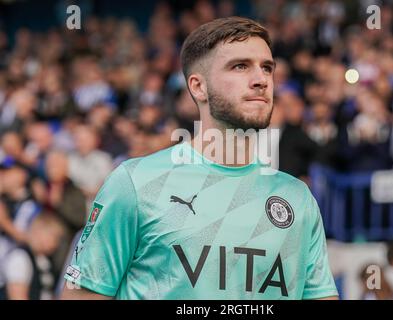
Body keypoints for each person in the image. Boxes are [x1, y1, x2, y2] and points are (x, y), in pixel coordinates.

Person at [61, 17, 338, 300]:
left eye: (267, 67)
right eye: (240, 66)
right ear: (198, 87)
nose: (261, 80)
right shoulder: (135, 182)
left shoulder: (297, 198)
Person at [0, 213, 66, 300]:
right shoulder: (20, 257)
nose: (56, 244)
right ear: (39, 232)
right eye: (54, 237)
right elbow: (17, 296)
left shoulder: (46, 261)